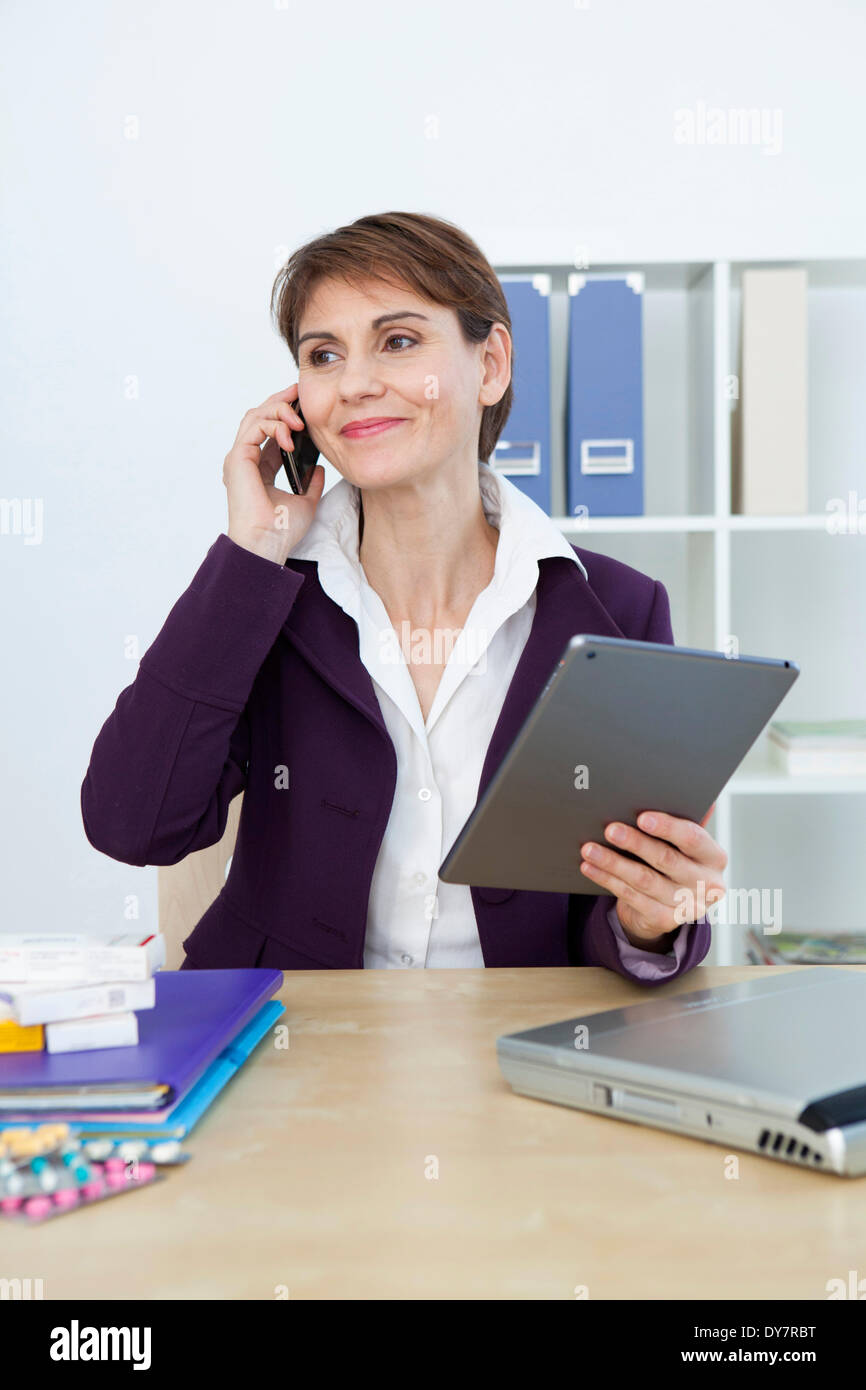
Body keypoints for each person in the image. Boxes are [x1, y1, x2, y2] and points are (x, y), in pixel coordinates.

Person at [81, 211, 725, 980]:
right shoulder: (263, 598)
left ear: (490, 366)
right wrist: (250, 552)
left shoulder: (619, 609)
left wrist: (648, 922)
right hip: (298, 1031)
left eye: (398, 341)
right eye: (324, 355)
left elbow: (616, 904)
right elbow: (132, 822)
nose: (355, 384)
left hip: (516, 1035)